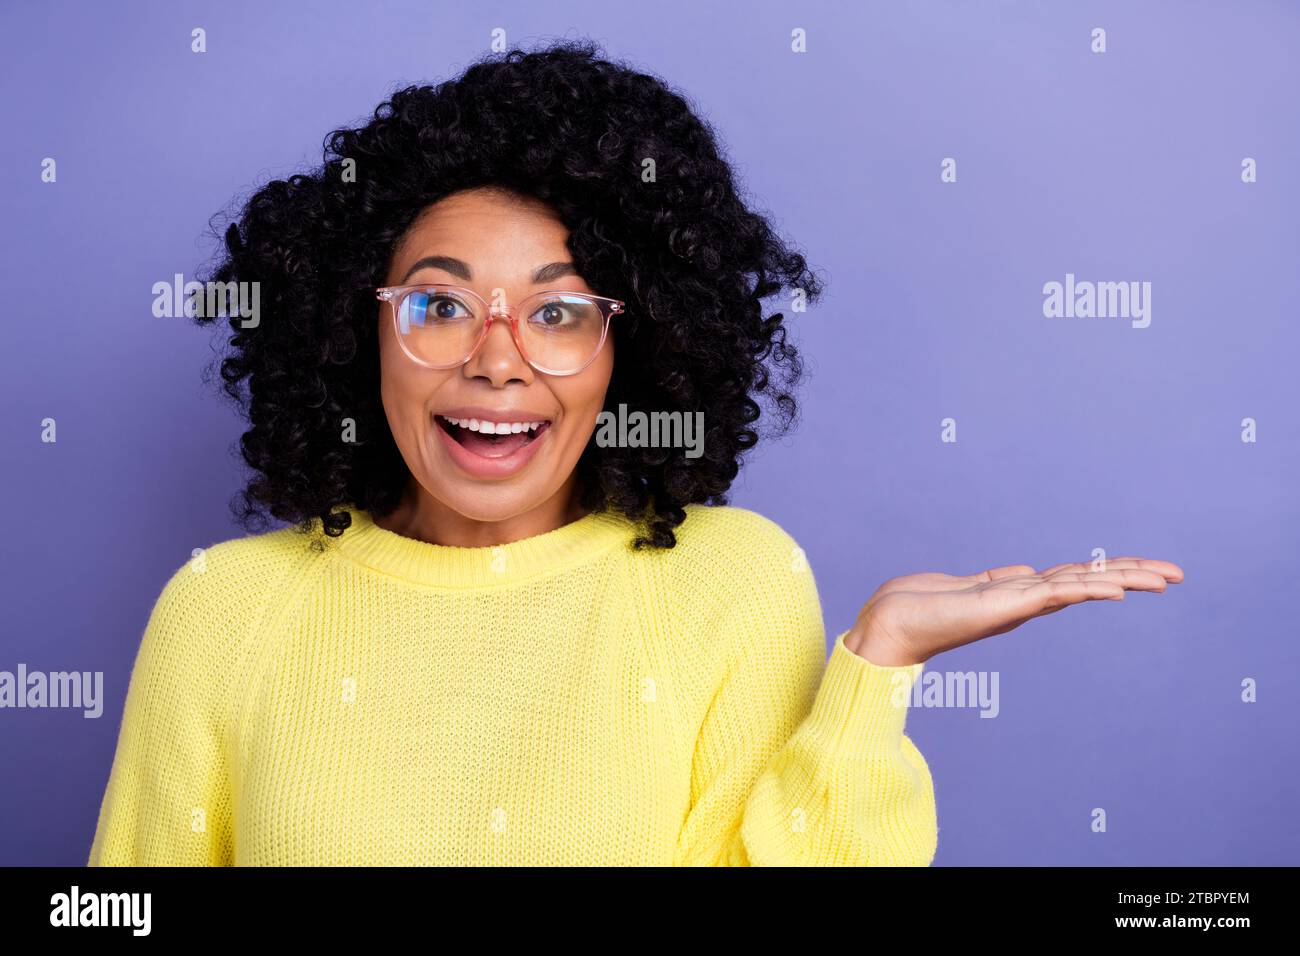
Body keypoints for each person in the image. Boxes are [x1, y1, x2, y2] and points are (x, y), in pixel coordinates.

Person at [88, 41, 1181, 866]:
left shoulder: (732, 582)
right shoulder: (223, 612)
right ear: (354, 328)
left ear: (635, 348)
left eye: (559, 313)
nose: (496, 360)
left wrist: (873, 668)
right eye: (440, 303)